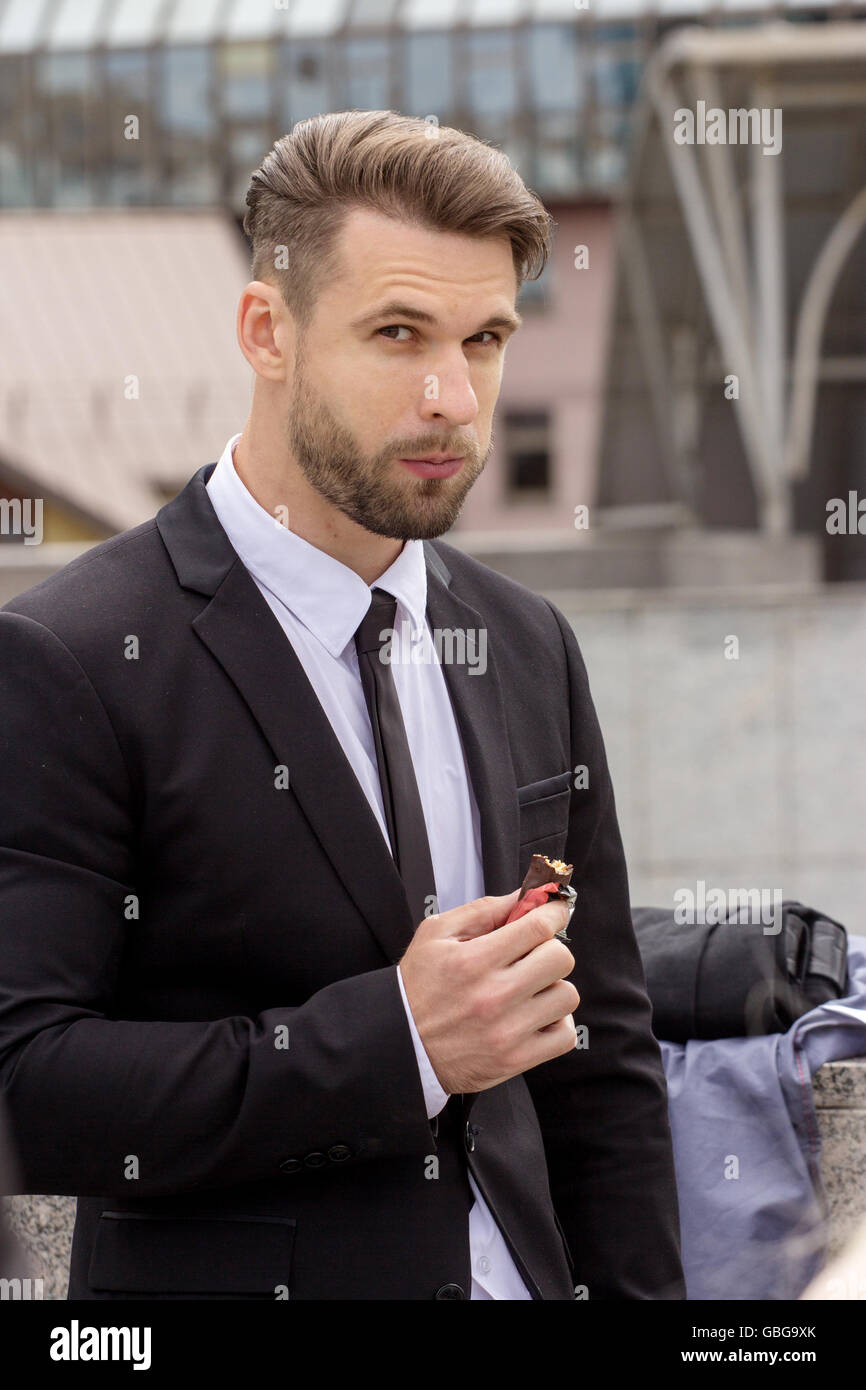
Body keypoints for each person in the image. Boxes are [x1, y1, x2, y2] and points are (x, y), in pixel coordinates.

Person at [0, 111, 684, 1301]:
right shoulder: (70, 655)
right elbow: (23, 1082)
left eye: (483, 339)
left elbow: (601, 1058)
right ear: (268, 330)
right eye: (396, 334)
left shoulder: (527, 644)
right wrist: (398, 1046)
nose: (451, 398)